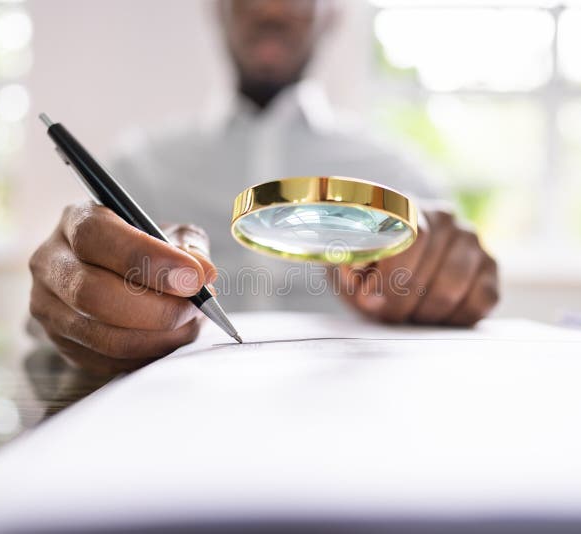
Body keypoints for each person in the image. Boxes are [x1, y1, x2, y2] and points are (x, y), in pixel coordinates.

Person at [29, 0, 499, 375]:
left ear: (331, 13)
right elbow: (45, 328)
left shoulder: (398, 173)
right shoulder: (140, 166)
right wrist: (67, 298)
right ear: (218, 9)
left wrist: (456, 287)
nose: (272, 9)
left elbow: (477, 308)